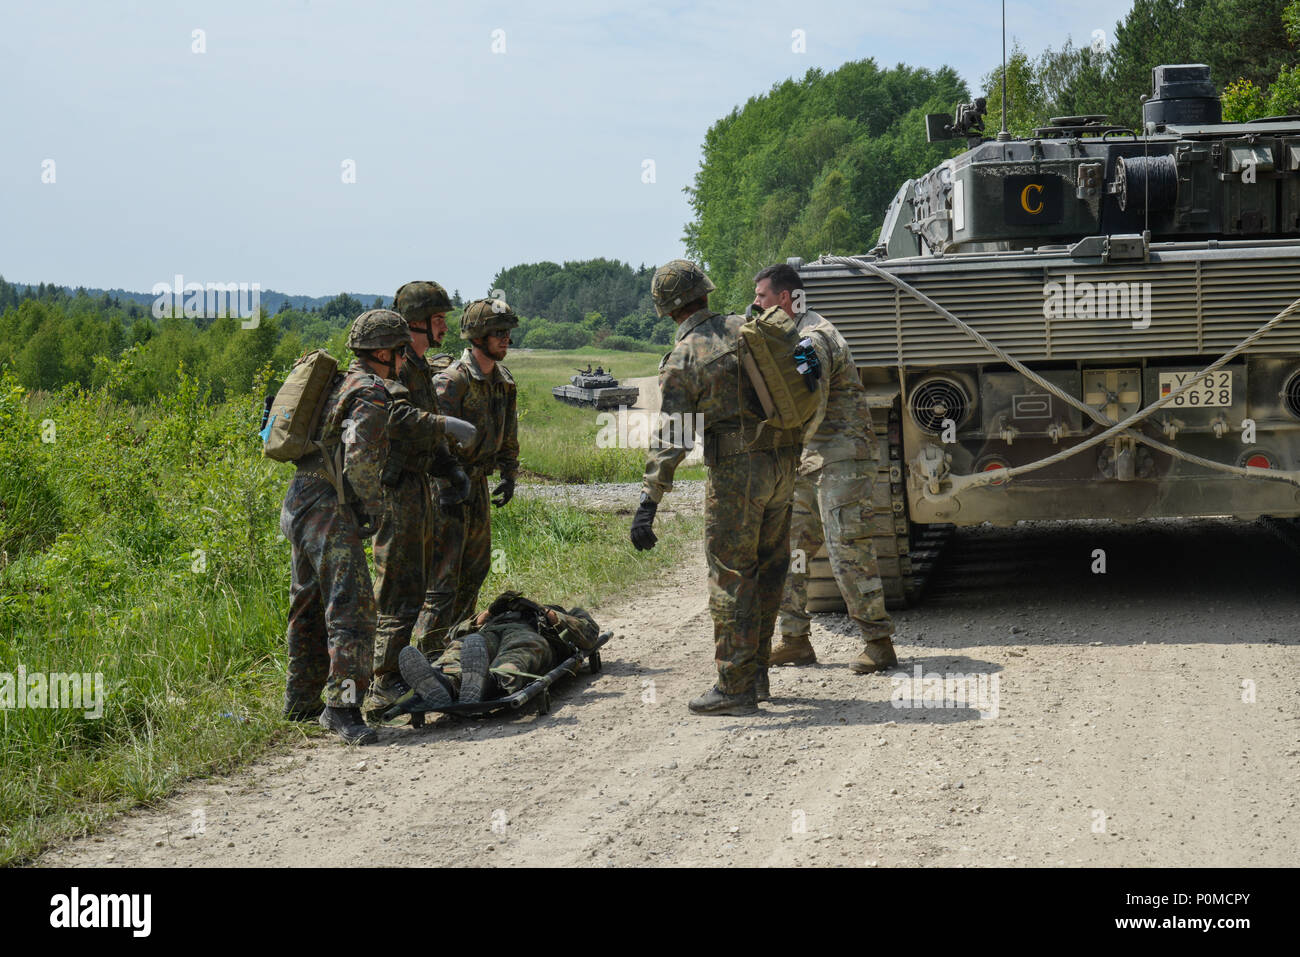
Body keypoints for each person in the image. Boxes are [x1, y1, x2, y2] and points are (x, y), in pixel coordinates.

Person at [630, 259, 801, 715]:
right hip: (784, 459)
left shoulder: (684, 357)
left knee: (731, 575)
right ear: (706, 291)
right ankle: (757, 673)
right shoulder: (749, 325)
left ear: (666, 309)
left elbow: (674, 436)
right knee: (769, 567)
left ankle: (734, 686)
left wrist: (650, 500)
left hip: (737, 471)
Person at [752, 263, 899, 674]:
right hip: (811, 459)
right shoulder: (785, 335)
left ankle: (878, 642)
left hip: (842, 457)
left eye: (761, 296)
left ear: (784, 298)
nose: (755, 303)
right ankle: (795, 639)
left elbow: (806, 391)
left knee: (847, 548)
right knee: (788, 549)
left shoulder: (813, 337)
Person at [280, 309, 411, 745]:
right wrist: (373, 508)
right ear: (382, 352)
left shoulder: (337, 382)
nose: (404, 358)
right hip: (330, 506)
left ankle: (300, 700)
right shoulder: (371, 392)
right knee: (352, 607)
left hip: (300, 498)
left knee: (308, 601)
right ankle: (342, 707)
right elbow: (360, 457)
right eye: (399, 349)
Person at [363, 281, 477, 720]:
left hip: (419, 485)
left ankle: (397, 670)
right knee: (397, 588)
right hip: (397, 490)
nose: (446, 327)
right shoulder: (393, 364)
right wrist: (446, 423)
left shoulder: (417, 362)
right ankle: (380, 683)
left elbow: (423, 425)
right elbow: (398, 417)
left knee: (417, 584)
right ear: (419, 321)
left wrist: (449, 467)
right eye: (439, 319)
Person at [410, 298, 520, 655]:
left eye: (507, 332)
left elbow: (509, 431)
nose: (505, 339)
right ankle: (426, 655)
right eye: (497, 332)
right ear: (477, 336)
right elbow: (434, 439)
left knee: (477, 567)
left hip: (478, 484)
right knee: (443, 578)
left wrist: (509, 471)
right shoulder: (451, 381)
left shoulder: (503, 380)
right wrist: (450, 478)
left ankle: (456, 651)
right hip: (448, 486)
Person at [397, 592, 600, 709]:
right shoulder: (497, 613)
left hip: (532, 631)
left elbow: (589, 635)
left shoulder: (562, 611)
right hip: (491, 630)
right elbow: (452, 634)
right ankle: (445, 682)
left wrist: (544, 611)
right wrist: (490, 612)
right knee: (463, 646)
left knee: (521, 650)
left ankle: (490, 683)